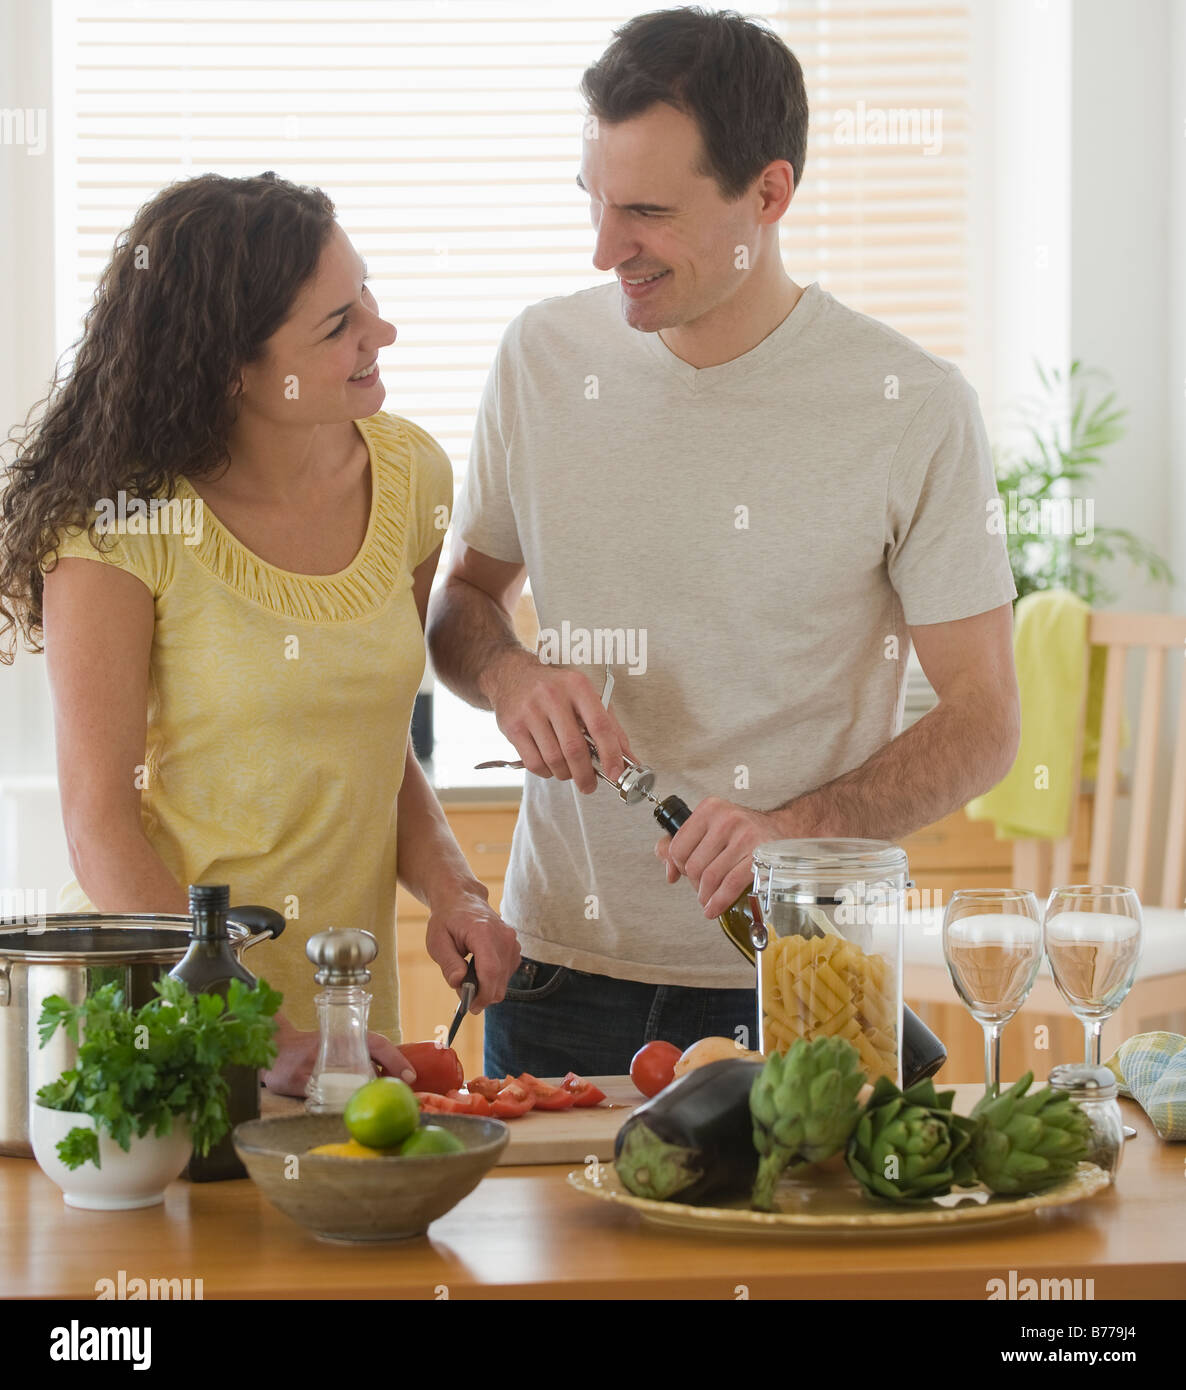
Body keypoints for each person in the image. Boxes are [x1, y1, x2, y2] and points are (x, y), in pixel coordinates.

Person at [426, 7, 1020, 1078]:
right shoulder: (541, 358)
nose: (604, 249)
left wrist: (793, 830)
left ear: (769, 195)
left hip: (800, 978)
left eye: (645, 213)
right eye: (594, 202)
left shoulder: (910, 407)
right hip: (556, 975)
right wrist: (507, 670)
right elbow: (460, 603)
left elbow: (982, 721)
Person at [0, 171, 519, 1094]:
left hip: (343, 1026)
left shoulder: (410, 476)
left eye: (368, 296)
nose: (381, 333)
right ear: (229, 367)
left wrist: (456, 893)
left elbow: (372, 742)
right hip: (162, 1023)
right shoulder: (121, 523)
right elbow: (100, 829)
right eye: (337, 326)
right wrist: (255, 1030)